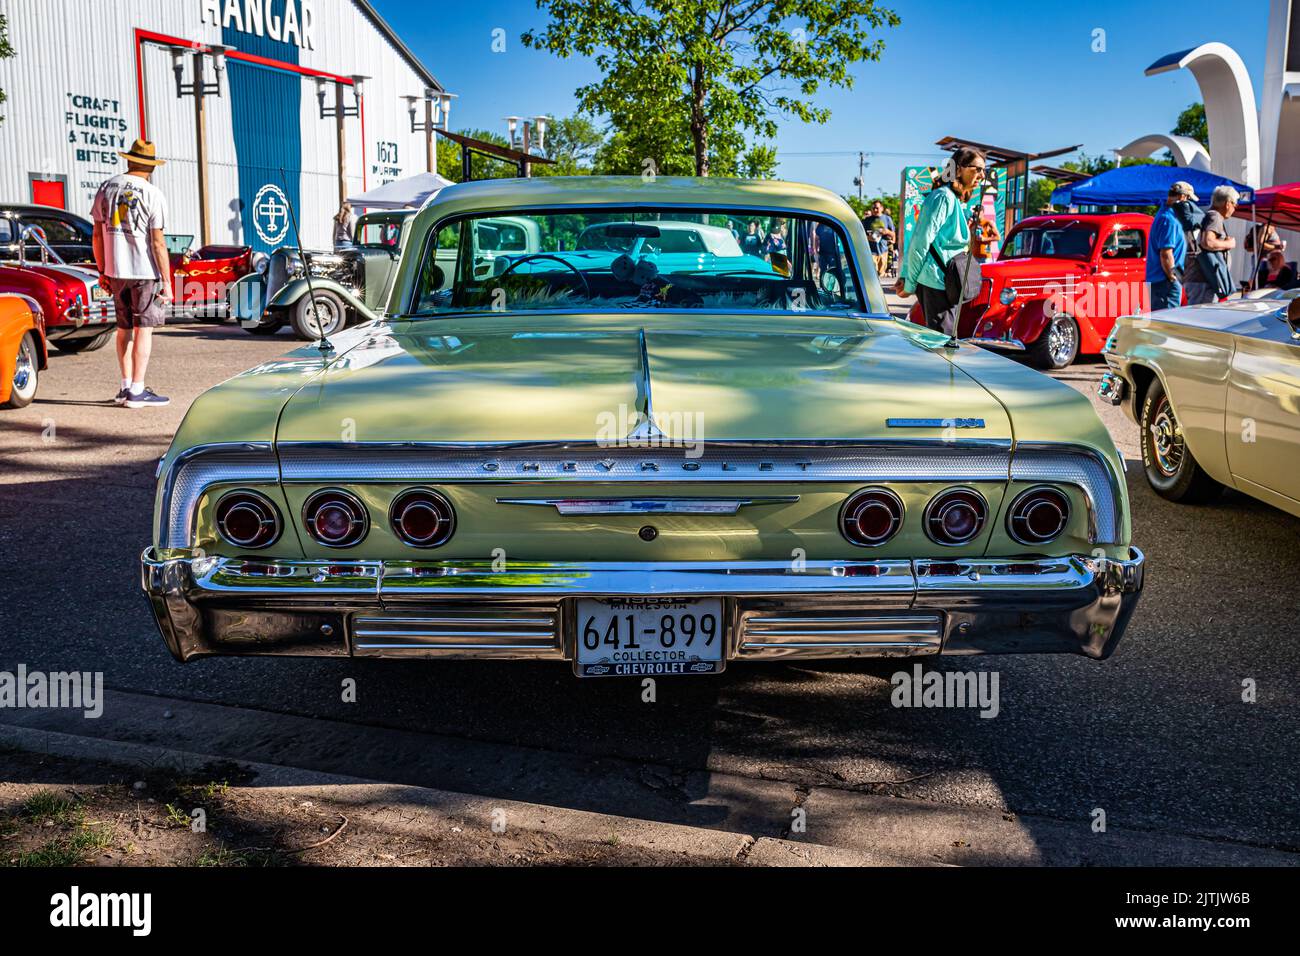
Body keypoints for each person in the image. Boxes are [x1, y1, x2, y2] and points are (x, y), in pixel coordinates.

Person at [91, 138, 171, 408]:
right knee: (144, 328)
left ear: (128, 160)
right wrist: (167, 281)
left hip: (115, 270)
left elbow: (97, 235)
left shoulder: (107, 187)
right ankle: (137, 390)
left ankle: (125, 387)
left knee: (123, 328)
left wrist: (102, 269)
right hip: (143, 270)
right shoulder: (152, 193)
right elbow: (158, 243)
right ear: (151, 167)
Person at [895, 146, 986, 333]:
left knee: (944, 343)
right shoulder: (943, 198)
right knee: (941, 346)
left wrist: (906, 276)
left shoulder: (953, 199)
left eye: (984, 170)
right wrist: (909, 284)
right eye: (977, 169)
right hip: (935, 282)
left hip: (946, 283)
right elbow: (919, 243)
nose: (982, 176)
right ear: (958, 168)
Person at [1183, 185, 1238, 305]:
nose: (1235, 208)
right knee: (1201, 319)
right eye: (1235, 204)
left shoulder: (1209, 215)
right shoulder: (1215, 216)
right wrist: (1229, 243)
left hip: (1198, 280)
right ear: (1228, 203)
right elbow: (1207, 242)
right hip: (1204, 281)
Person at [1145, 181, 1193, 312]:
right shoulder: (1169, 219)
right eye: (1189, 199)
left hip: (1161, 282)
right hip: (1164, 282)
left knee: (1162, 322)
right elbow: (1166, 254)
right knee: (1166, 323)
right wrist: (1173, 278)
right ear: (1183, 197)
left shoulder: (1165, 214)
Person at [863, 201, 895, 277]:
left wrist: (887, 232)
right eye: (873, 208)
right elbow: (861, 235)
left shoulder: (887, 219)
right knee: (873, 273)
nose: (875, 210)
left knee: (881, 273)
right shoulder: (867, 220)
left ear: (881, 208)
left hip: (883, 250)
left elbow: (893, 233)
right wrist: (868, 238)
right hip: (871, 251)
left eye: (877, 208)